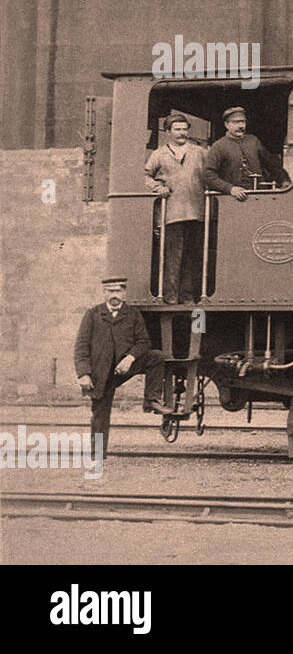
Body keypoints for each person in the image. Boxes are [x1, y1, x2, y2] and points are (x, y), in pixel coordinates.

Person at [74, 276, 168, 462]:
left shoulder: (133, 314)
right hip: (101, 372)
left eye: (117, 291)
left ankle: (151, 399)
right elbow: (81, 346)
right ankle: (97, 454)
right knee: (100, 413)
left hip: (126, 366)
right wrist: (83, 373)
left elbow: (144, 341)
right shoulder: (92, 314)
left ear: (124, 293)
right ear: (104, 293)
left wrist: (130, 358)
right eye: (110, 291)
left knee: (157, 357)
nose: (114, 295)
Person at [144, 113, 207, 304]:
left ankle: (187, 296)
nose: (181, 133)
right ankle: (171, 296)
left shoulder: (199, 152)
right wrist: (157, 187)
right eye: (177, 129)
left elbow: (212, 173)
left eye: (184, 128)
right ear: (168, 131)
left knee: (192, 257)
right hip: (171, 213)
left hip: (196, 212)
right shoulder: (159, 154)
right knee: (172, 257)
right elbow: (145, 176)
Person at [201, 106, 289, 200]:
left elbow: (271, 163)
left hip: (258, 198)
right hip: (232, 200)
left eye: (243, 121)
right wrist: (230, 189)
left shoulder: (253, 141)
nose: (241, 126)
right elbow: (208, 174)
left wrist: (284, 180)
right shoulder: (218, 146)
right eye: (236, 122)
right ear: (226, 125)